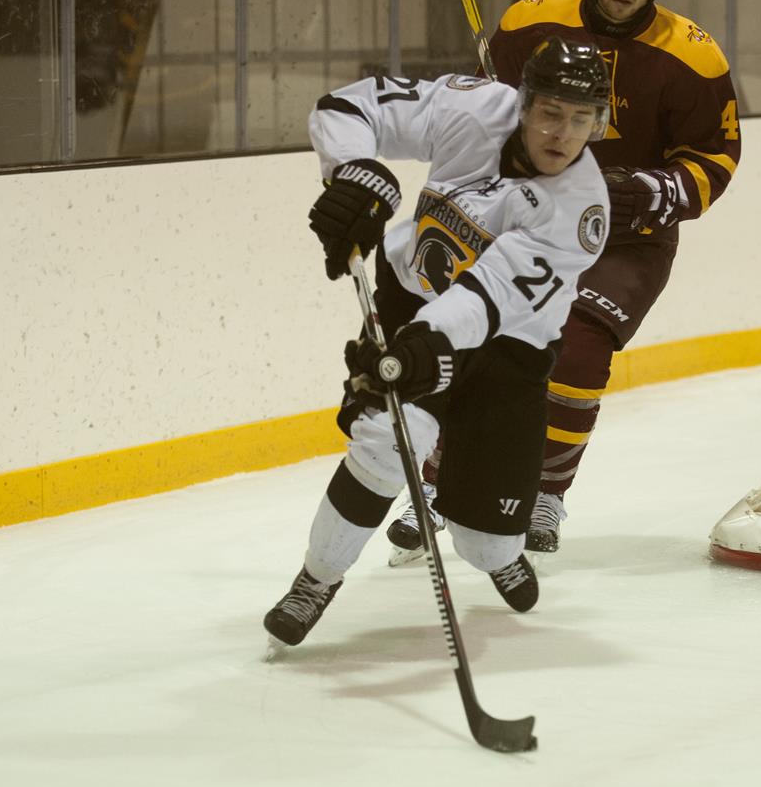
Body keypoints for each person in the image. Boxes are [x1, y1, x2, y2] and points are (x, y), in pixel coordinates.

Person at [385, 0, 741, 562]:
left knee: (576, 351)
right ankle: (441, 484)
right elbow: (480, 116)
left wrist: (649, 191)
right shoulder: (530, 22)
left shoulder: (694, 55)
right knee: (480, 341)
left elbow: (715, 157)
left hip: (627, 238)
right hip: (530, 226)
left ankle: (546, 495)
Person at [263, 38, 613, 647]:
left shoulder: (579, 212)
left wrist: (424, 343)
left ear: (598, 124)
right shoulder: (473, 107)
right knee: (386, 443)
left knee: (484, 542)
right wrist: (351, 173)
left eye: (580, 119)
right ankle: (316, 580)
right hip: (414, 300)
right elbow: (345, 108)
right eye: (551, 113)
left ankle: (498, 552)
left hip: (508, 347)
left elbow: (489, 296)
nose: (562, 133)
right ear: (524, 104)